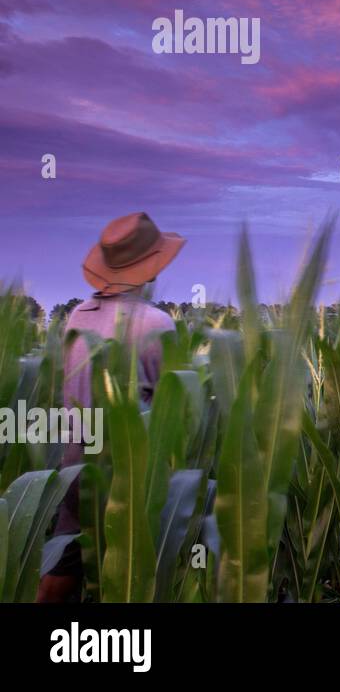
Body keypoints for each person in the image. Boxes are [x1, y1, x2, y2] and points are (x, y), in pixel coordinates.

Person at [36, 212, 185, 603]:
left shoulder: (78, 315)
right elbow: (170, 401)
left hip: (77, 458)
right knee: (133, 563)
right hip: (130, 466)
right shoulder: (156, 322)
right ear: (150, 269)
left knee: (66, 553)